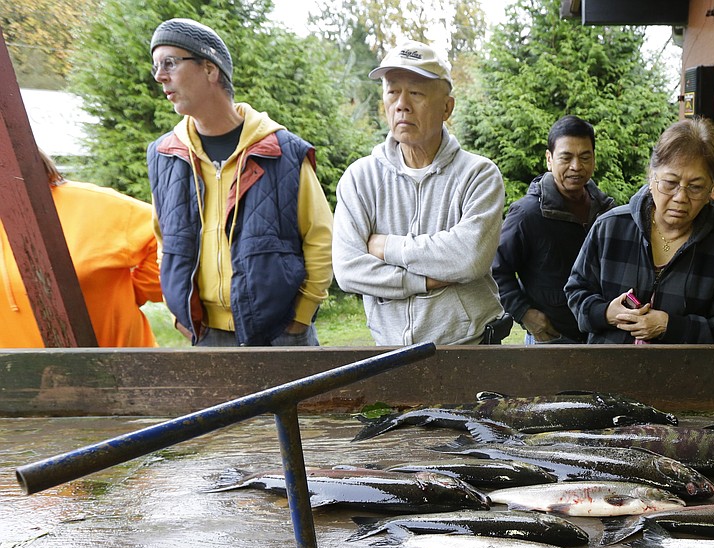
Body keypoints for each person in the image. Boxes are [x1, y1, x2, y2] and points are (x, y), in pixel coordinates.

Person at [147, 18, 333, 347]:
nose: (160, 76)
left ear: (209, 69)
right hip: (206, 335)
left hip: (281, 335)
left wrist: (300, 317)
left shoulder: (282, 151)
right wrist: (178, 312)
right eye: (157, 66)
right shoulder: (165, 155)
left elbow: (320, 238)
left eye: (170, 63)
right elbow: (165, 241)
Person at [333, 39, 507, 345]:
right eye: (392, 92)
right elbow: (348, 269)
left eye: (416, 92)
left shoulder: (479, 175)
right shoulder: (360, 179)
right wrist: (422, 280)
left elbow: (469, 258)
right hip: (390, 354)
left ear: (447, 107)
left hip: (471, 349)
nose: (402, 104)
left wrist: (387, 247)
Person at [564, 118, 714, 344]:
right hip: (608, 363)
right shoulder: (611, 227)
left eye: (695, 187)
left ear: (711, 188)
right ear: (652, 177)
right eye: (670, 183)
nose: (680, 197)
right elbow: (576, 291)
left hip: (684, 367)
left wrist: (671, 326)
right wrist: (605, 313)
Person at [1, 149, 162, 348]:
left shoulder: (93, 204)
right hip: (14, 367)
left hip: (118, 363)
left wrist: (140, 290)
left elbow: (164, 233)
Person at [491, 116, 616, 344]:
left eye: (585, 157)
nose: (576, 166)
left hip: (601, 337)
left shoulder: (606, 212)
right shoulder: (527, 214)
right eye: (566, 157)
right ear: (549, 159)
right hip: (551, 339)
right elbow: (495, 269)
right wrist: (524, 313)